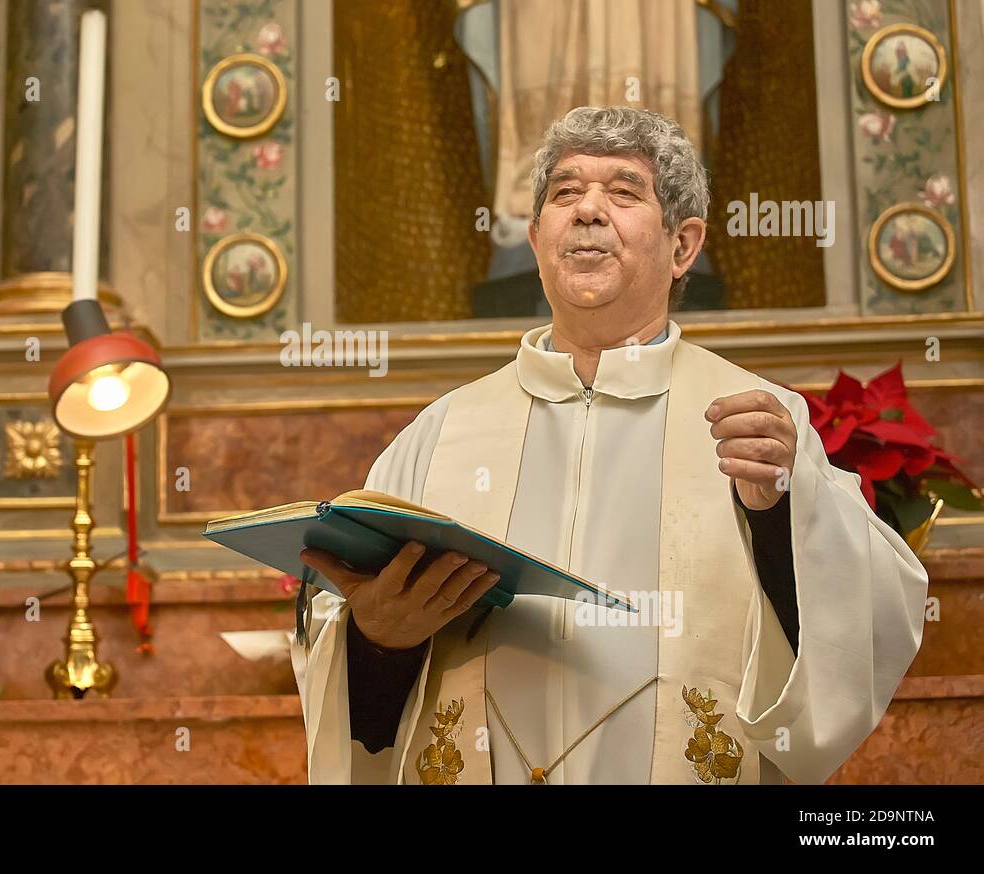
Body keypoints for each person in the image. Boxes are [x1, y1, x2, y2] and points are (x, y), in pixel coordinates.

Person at [292, 106, 929, 785]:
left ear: (683, 245)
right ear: (537, 240)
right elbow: (343, 652)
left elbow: (868, 622)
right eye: (565, 193)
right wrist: (378, 641)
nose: (588, 210)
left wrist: (777, 514)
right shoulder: (440, 435)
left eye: (624, 192)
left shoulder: (761, 423)